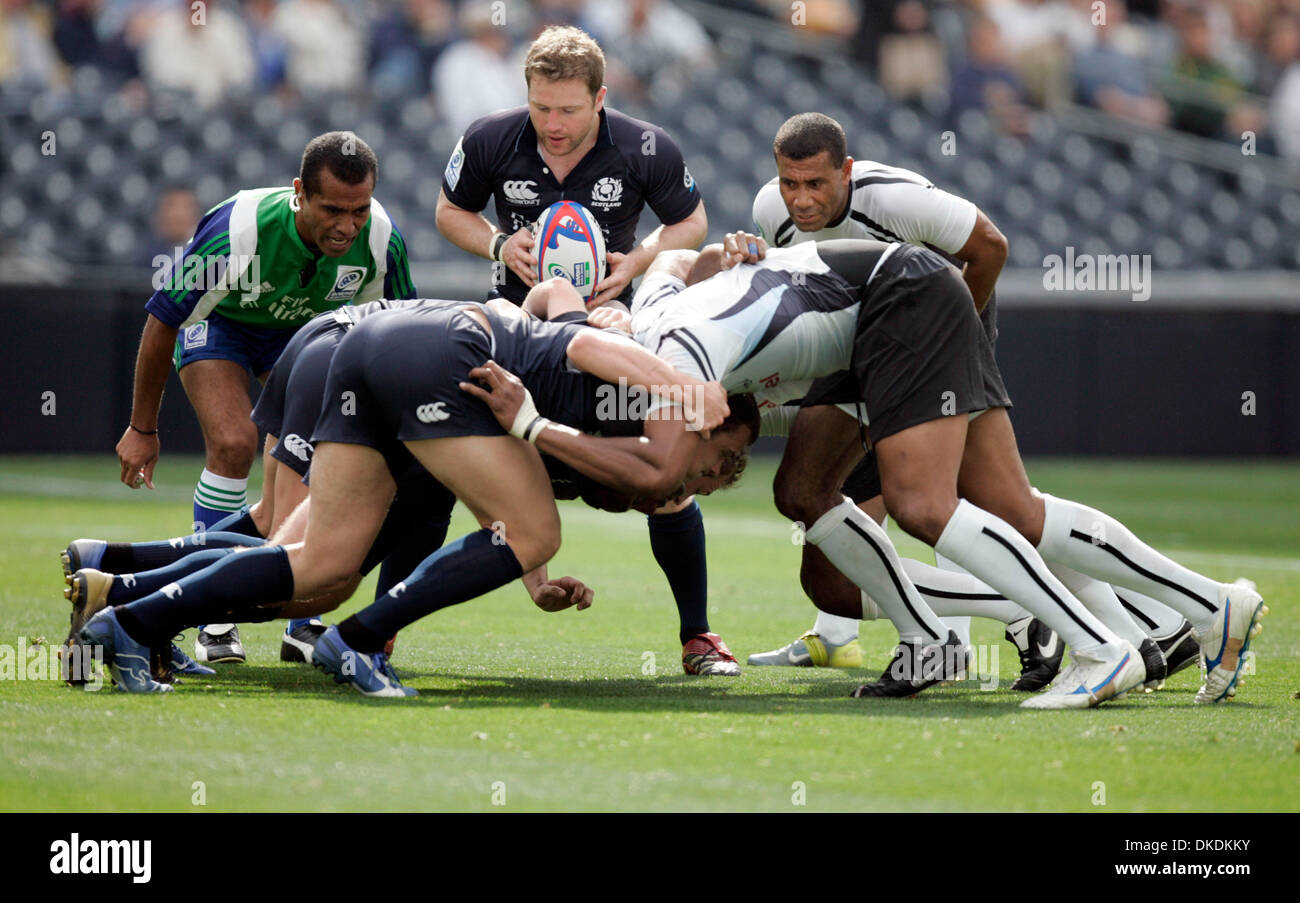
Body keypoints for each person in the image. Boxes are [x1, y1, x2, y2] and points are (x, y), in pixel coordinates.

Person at [599, 239, 1264, 707]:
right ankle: (1209, 603)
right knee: (823, 491)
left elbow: (668, 451)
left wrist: (552, 423)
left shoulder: (674, 356)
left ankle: (1099, 645)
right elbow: (668, 260)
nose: (692, 487)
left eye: (698, 476)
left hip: (900, 299)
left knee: (924, 505)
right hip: (873, 325)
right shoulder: (655, 322)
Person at [77, 296, 751, 695]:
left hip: (381, 348)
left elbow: (503, 491)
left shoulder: (624, 438)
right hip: (437, 350)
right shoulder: (655, 383)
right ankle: (357, 644)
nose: (701, 478)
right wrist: (686, 385)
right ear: (703, 421)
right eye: (718, 460)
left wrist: (533, 577)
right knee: (535, 530)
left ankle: (128, 618)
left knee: (320, 567)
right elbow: (584, 340)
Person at [745, 112, 1197, 689]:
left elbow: (990, 247)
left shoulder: (895, 200)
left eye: (816, 184)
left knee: (934, 513)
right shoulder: (770, 213)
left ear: (847, 172)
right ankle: (1148, 622)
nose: (801, 200)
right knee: (974, 512)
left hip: (933, 346)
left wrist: (932, 343)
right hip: (868, 365)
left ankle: (1036, 629)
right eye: (790, 184)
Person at [435, 25, 724, 673]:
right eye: (541, 108)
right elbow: (449, 210)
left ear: (600, 98)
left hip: (610, 330)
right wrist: (495, 244)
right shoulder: (488, 137)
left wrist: (641, 260)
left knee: (664, 477)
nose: (553, 123)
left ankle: (699, 635)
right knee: (444, 473)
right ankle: (383, 632)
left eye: (567, 109)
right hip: (516, 335)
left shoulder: (646, 145)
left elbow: (692, 221)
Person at [114, 130, 417, 664]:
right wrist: (143, 429)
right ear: (299, 191)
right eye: (332, 210)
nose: (347, 226)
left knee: (329, 451)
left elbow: (405, 330)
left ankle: (304, 621)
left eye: (359, 210)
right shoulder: (238, 230)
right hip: (224, 325)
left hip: (307, 336)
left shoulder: (381, 241)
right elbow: (163, 321)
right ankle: (213, 618)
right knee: (234, 443)